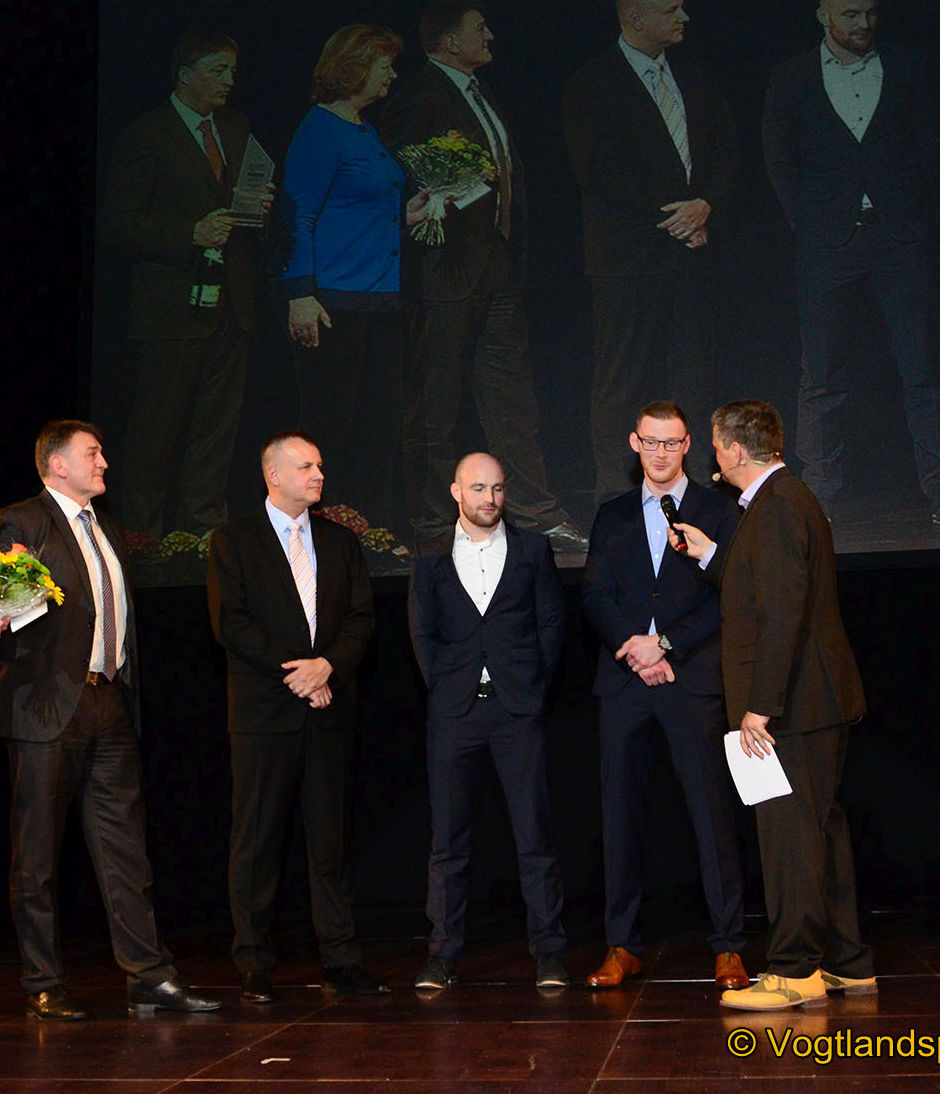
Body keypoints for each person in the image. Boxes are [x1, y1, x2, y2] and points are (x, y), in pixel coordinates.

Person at [0, 420, 220, 1021]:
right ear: (58, 465)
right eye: (93, 453)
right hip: (45, 707)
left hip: (108, 701)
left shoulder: (106, 528)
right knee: (36, 854)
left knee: (125, 850)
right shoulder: (19, 521)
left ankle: (149, 977)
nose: (105, 461)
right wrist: (2, 601)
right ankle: (42, 980)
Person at [668, 400, 873, 1011]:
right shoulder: (777, 502)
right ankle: (847, 963)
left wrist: (761, 706)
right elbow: (760, 581)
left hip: (795, 706)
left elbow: (782, 613)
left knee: (789, 837)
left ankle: (794, 971)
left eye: (713, 445)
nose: (713, 456)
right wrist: (709, 553)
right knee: (820, 832)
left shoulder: (778, 506)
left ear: (732, 450)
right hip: (812, 700)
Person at [763, 0, 940, 526]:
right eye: (851, 15)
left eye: (871, 14)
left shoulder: (909, 65)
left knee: (923, 368)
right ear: (823, 16)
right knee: (823, 374)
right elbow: (780, 159)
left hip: (898, 237)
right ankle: (820, 497)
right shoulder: (792, 77)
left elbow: (929, 146)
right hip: (827, 242)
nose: (863, 24)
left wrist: (912, 215)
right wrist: (809, 224)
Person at [378, 0, 586, 551]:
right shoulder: (420, 96)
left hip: (497, 270)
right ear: (449, 41)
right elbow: (394, 178)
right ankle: (428, 524)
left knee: (512, 401)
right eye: (480, 28)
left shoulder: (479, 90)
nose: (491, 36)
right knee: (437, 406)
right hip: (444, 273)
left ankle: (536, 512)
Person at [207, 432, 386, 1002]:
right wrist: (300, 674)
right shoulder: (233, 541)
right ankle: (254, 962)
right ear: (273, 475)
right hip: (264, 714)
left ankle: (340, 958)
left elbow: (361, 620)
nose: (318, 475)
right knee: (256, 841)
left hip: (329, 711)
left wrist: (327, 666)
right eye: (306, 466)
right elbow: (231, 624)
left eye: (321, 464)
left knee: (329, 841)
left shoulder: (340, 542)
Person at [581, 402, 748, 991]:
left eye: (672, 443)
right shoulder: (612, 516)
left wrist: (667, 646)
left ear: (687, 447)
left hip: (691, 681)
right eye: (650, 442)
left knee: (710, 813)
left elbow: (729, 596)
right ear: (633, 443)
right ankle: (622, 944)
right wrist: (633, 646)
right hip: (625, 681)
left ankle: (729, 946)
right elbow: (595, 593)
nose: (660, 452)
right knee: (619, 815)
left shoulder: (718, 511)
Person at [564, 0, 739, 502]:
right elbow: (598, 170)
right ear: (636, 19)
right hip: (629, 257)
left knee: (695, 373)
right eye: (672, 10)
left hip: (693, 253)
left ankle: (698, 488)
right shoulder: (592, 83)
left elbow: (727, 150)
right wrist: (675, 215)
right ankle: (616, 494)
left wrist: (705, 203)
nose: (684, 18)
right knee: (621, 380)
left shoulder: (695, 75)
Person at [101, 30, 274, 539]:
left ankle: (202, 533)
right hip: (171, 307)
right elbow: (116, 223)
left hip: (230, 303)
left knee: (215, 429)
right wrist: (188, 234)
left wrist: (259, 210)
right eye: (217, 71)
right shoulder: (147, 134)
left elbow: (245, 197)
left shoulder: (235, 127)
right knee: (158, 428)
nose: (229, 80)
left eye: (232, 72)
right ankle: (143, 536)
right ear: (185, 75)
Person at [408, 452, 569, 992]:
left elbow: (550, 625)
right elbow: (422, 634)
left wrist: (527, 691)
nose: (490, 499)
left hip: (516, 713)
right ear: (456, 492)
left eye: (498, 489)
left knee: (534, 839)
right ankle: (442, 955)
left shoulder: (531, 550)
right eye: (478, 489)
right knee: (448, 844)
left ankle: (549, 953)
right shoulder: (430, 555)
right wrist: (447, 688)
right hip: (455, 715)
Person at [276, 25, 431, 532]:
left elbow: (365, 209)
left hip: (381, 299)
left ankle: (371, 529)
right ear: (355, 66)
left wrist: (409, 214)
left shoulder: (363, 128)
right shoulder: (321, 129)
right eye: (383, 64)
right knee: (333, 425)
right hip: (335, 302)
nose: (391, 74)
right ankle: (323, 529)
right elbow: (297, 217)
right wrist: (300, 294)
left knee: (380, 423)